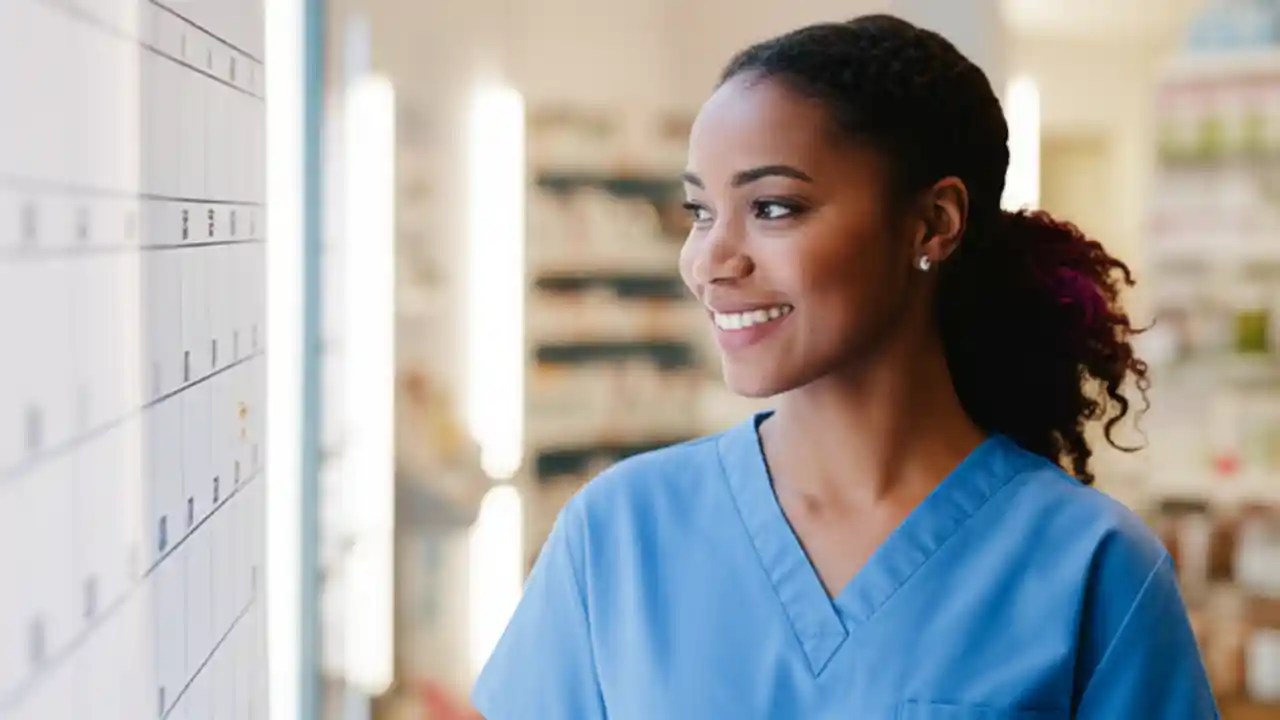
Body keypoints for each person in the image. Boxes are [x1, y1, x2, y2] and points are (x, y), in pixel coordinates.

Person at [472, 15, 1218, 719]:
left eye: (773, 207)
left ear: (933, 223)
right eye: (700, 212)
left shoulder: (1091, 567)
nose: (710, 261)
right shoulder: (619, 535)